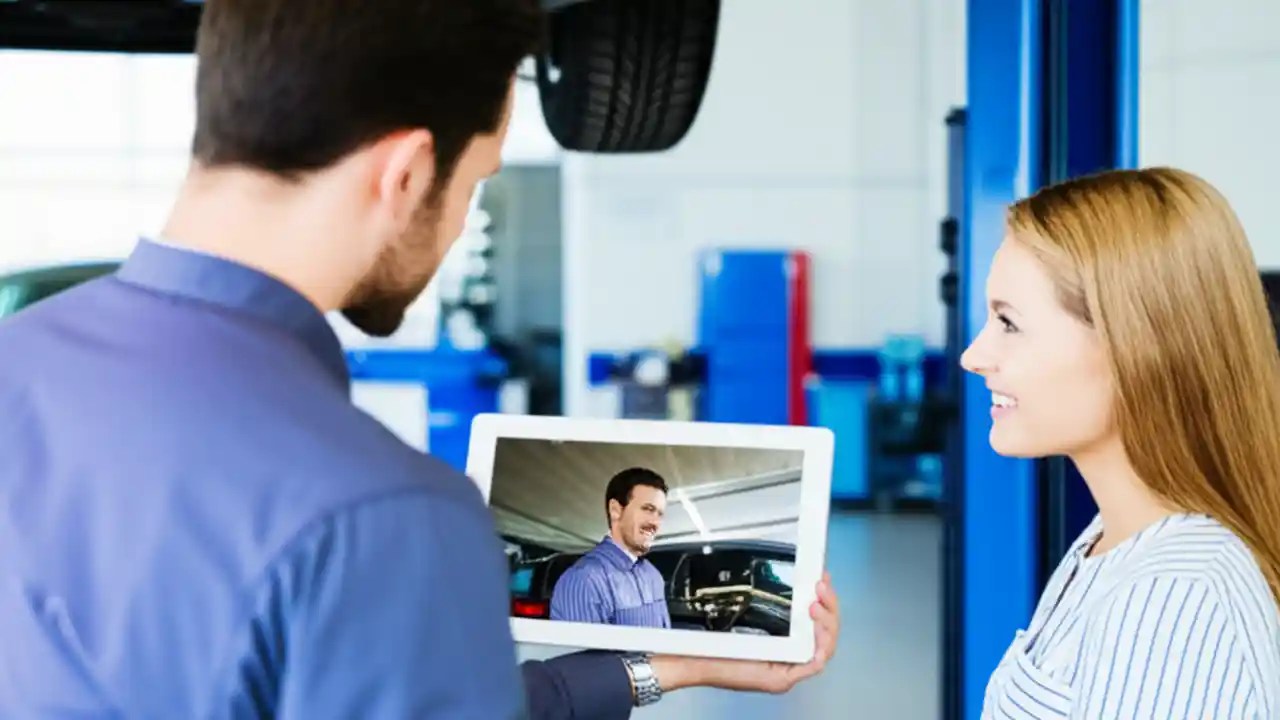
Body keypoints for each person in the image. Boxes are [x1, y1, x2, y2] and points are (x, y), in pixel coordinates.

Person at [0, 1, 840, 718]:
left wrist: (672, 666)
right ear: (405, 175)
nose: (458, 222)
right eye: (473, 182)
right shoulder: (387, 514)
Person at [963, 167, 1280, 719]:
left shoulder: (1177, 593)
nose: (974, 356)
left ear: (1134, 343)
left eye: (1008, 323)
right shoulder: (1110, 543)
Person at [551, 468, 672, 628]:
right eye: (648, 509)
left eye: (660, 514)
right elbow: (584, 653)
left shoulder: (653, 575)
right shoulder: (584, 580)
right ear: (615, 510)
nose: (655, 523)